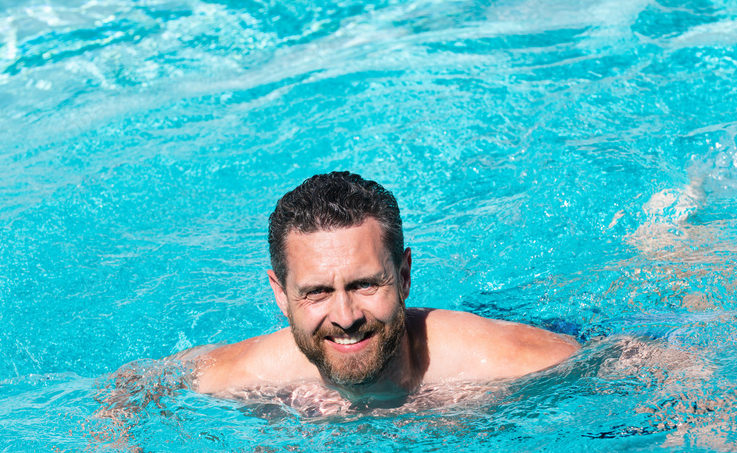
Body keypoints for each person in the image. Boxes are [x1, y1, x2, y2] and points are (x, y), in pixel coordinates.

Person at [158, 171, 579, 415]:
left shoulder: (506, 363)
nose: (345, 317)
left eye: (364, 284)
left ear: (404, 276)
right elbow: (142, 382)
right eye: (317, 292)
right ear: (281, 295)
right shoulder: (250, 373)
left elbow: (609, 358)